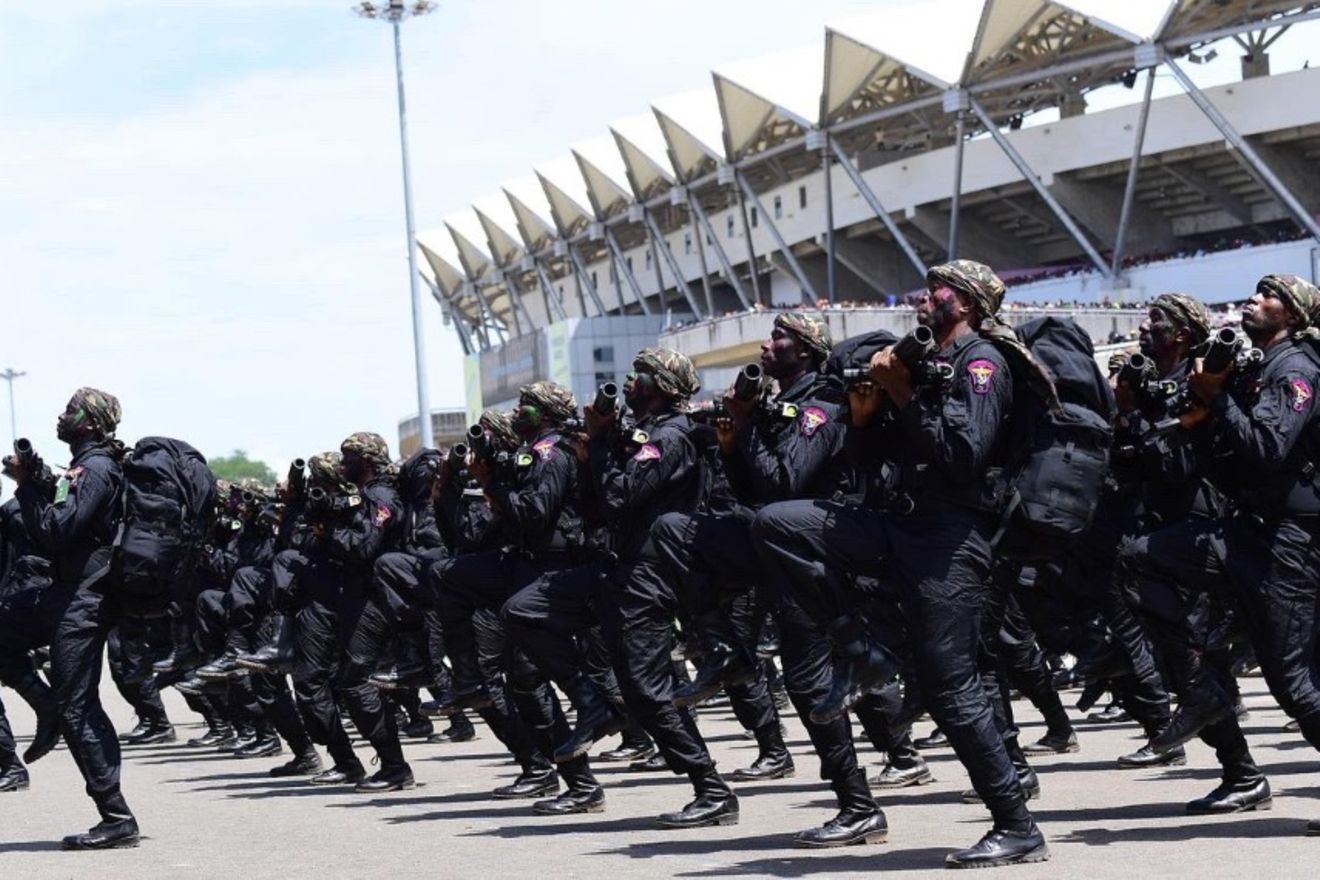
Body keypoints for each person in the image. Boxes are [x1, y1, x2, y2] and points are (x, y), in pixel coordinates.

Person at [754, 261, 1047, 868]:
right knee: (777, 523)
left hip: (950, 540)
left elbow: (963, 456)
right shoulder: (922, 362)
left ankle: (1017, 826)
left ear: (965, 303)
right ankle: (857, 646)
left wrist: (905, 392)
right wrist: (867, 415)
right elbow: (872, 460)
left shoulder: (982, 362)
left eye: (939, 290)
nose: (925, 295)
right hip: (899, 524)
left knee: (950, 688)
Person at [6, 388, 138, 849]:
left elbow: (55, 532)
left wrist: (26, 486)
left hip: (86, 598)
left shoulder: (95, 469)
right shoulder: (85, 469)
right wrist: (41, 479)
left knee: (78, 706)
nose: (61, 416)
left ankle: (116, 817)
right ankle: (44, 706)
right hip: (65, 593)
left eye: (70, 411)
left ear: (90, 422)